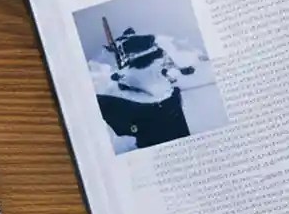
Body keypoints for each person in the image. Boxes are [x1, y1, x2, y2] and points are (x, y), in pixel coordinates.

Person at [89, 22, 208, 153]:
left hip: (154, 103)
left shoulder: (141, 63)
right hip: (160, 102)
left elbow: (124, 78)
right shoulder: (153, 56)